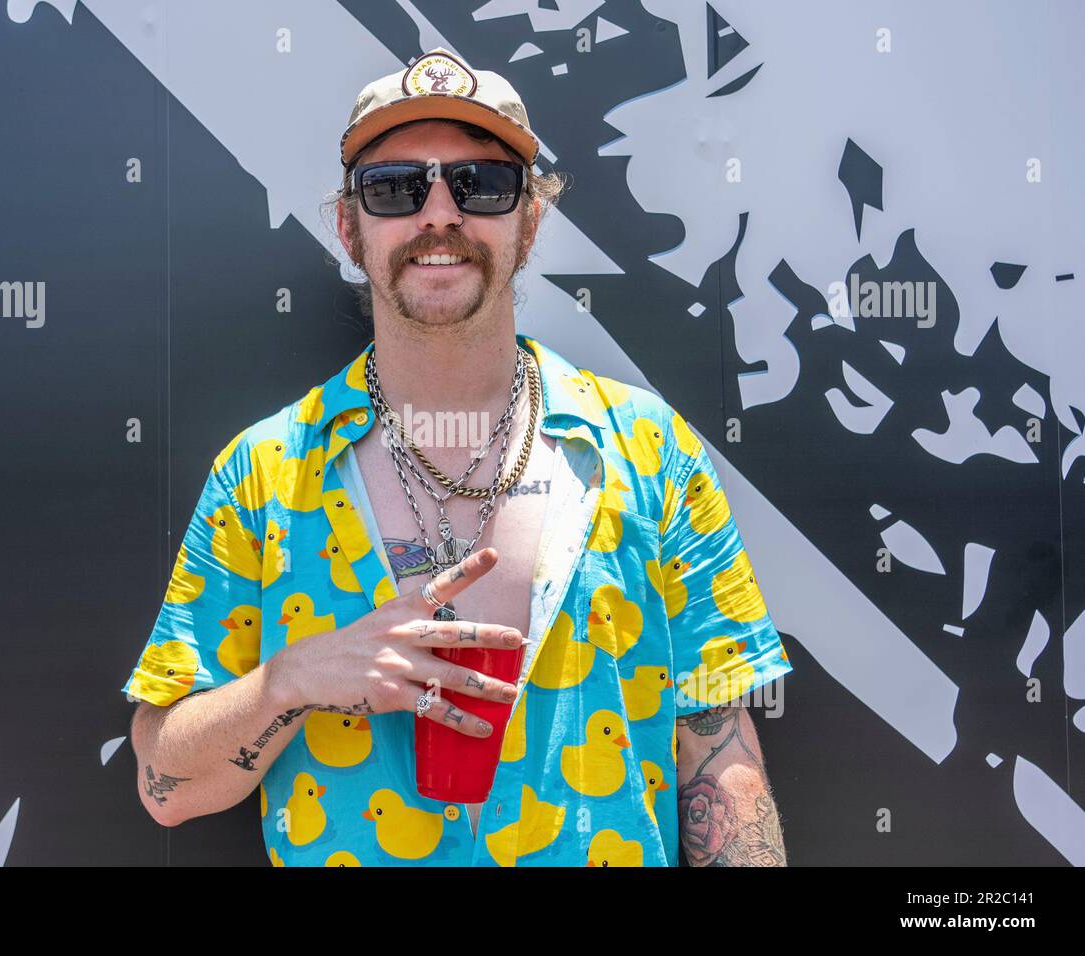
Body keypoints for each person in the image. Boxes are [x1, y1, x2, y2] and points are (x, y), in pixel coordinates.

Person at [121, 47, 793, 867]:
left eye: (482, 183)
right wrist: (290, 680)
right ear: (348, 225)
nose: (439, 214)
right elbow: (167, 784)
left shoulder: (652, 451)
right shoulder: (264, 473)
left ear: (531, 219)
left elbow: (719, 762)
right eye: (396, 186)